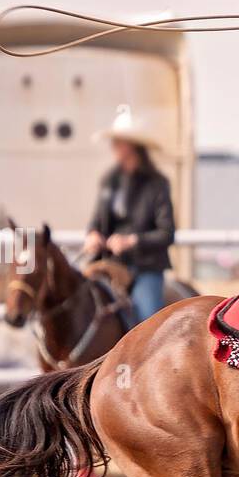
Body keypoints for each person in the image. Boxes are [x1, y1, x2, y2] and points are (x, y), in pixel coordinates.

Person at [82, 112, 176, 325]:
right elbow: (97, 219)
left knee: (146, 322)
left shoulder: (157, 184)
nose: (113, 145)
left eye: (118, 141)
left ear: (132, 145)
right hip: (109, 264)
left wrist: (131, 241)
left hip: (146, 267)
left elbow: (166, 233)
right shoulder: (109, 180)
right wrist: (93, 235)